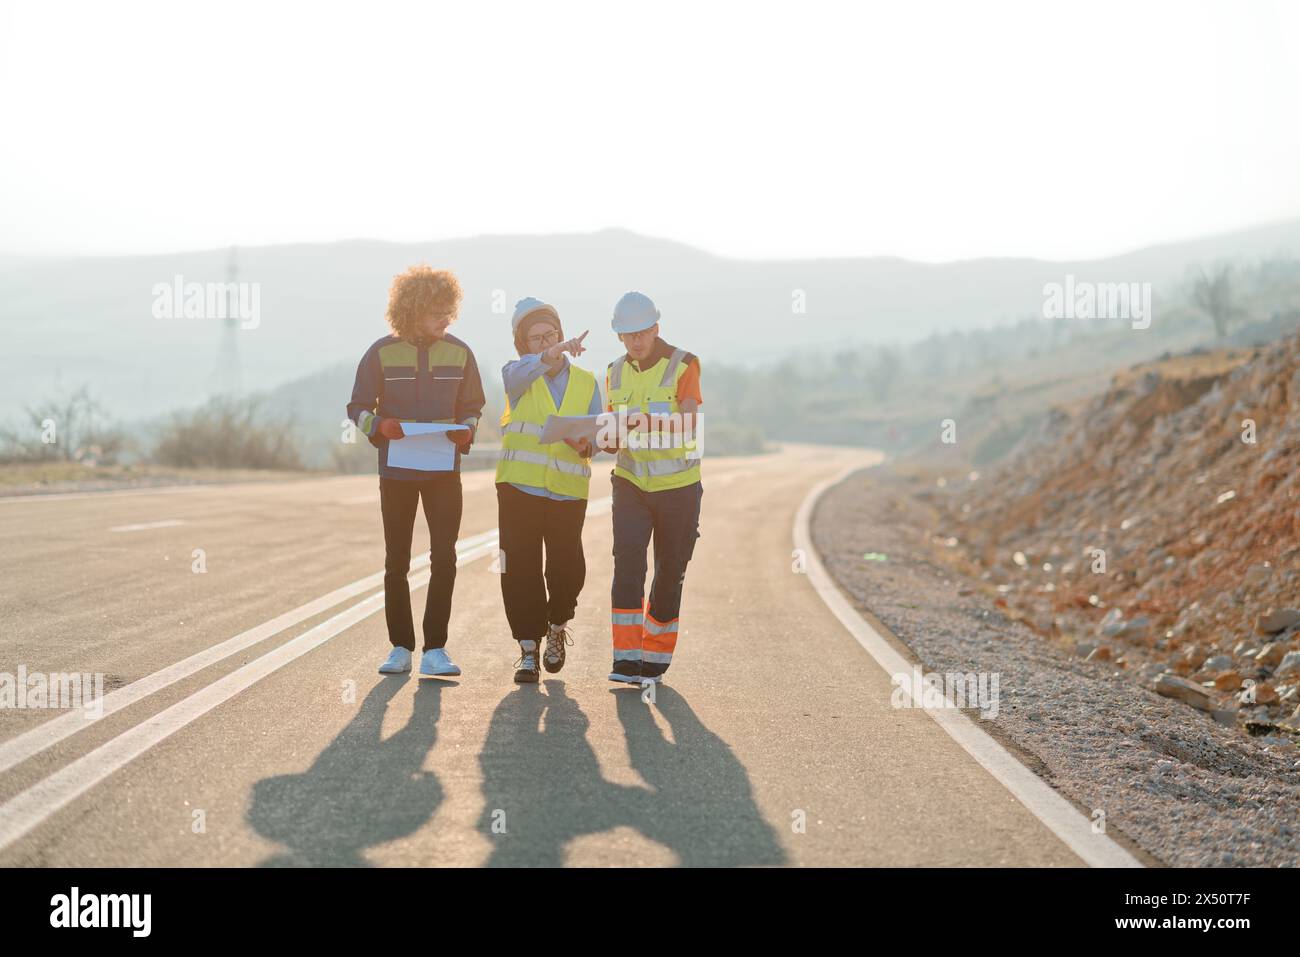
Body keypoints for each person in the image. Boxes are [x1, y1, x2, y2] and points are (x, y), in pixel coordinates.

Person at [346, 265, 485, 678]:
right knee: (397, 561)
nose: (447, 320)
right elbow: (357, 407)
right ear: (412, 310)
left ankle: (435, 649)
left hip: (444, 471)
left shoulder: (461, 352)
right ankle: (401, 647)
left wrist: (468, 432)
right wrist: (380, 427)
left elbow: (473, 407)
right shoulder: (380, 352)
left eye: (449, 311)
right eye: (437, 312)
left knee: (444, 558)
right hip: (397, 472)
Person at [495, 297, 600, 683]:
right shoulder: (517, 375)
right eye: (536, 338)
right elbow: (519, 376)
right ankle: (527, 649)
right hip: (519, 487)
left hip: (568, 489)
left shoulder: (587, 381)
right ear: (523, 345)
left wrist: (589, 444)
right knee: (519, 567)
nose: (545, 343)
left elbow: (597, 436)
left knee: (567, 567)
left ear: (561, 331)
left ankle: (558, 625)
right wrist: (547, 356)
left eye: (550, 335)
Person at [600, 291, 703, 685]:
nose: (635, 342)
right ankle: (626, 660)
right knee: (627, 564)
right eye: (627, 336)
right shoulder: (613, 372)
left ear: (656, 328)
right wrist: (603, 437)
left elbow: (690, 424)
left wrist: (647, 420)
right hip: (630, 483)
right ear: (620, 337)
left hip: (678, 485)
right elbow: (611, 427)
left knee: (669, 570)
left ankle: (654, 659)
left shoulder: (684, 364)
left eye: (641, 333)